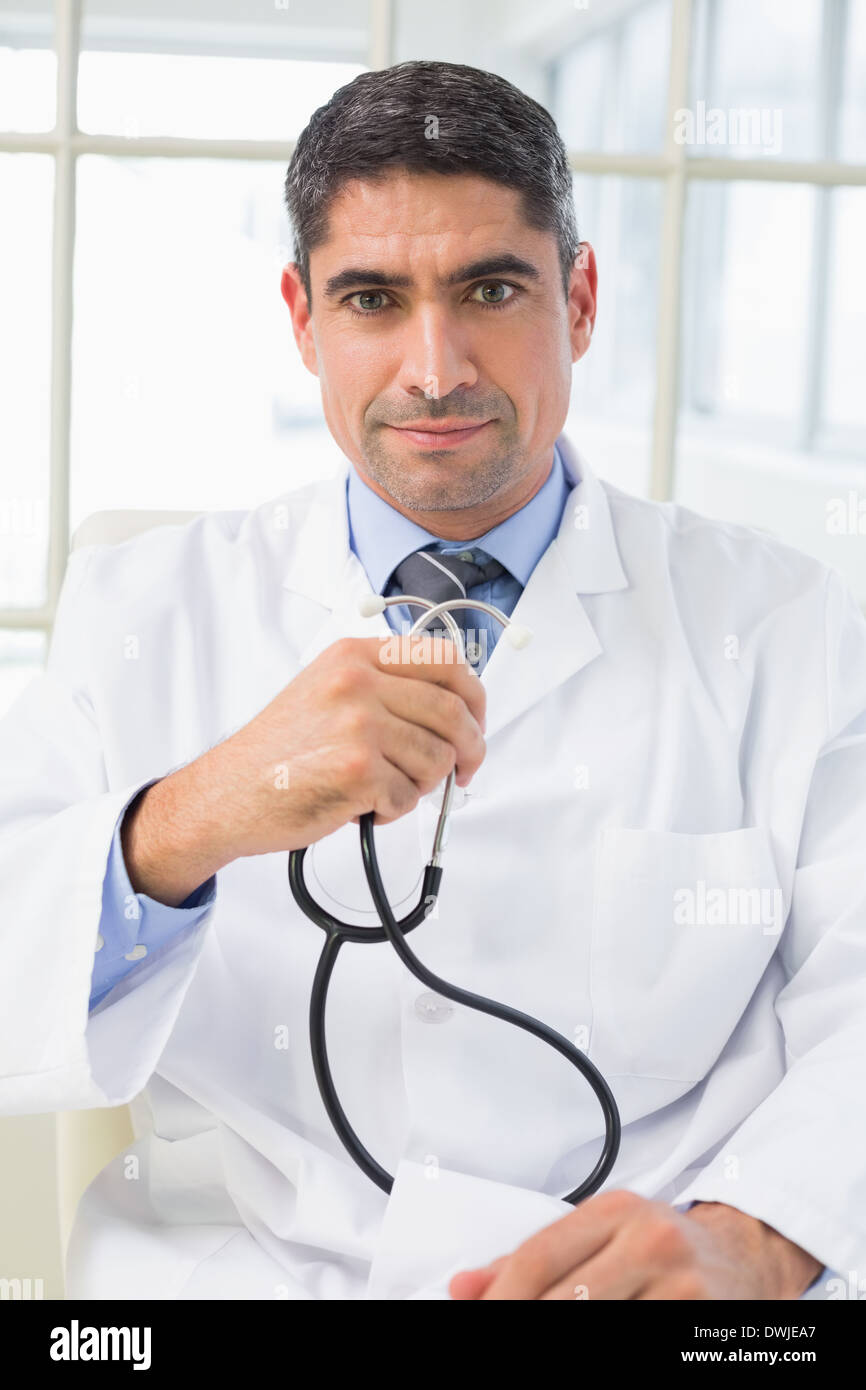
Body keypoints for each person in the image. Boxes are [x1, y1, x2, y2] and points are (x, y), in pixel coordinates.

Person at [1, 59, 863, 1302]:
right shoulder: (143, 609)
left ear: (578, 296)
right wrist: (196, 812)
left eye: (490, 288)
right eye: (370, 298)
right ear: (302, 319)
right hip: (241, 1274)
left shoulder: (781, 624)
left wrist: (761, 1236)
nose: (434, 367)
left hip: (646, 1285)